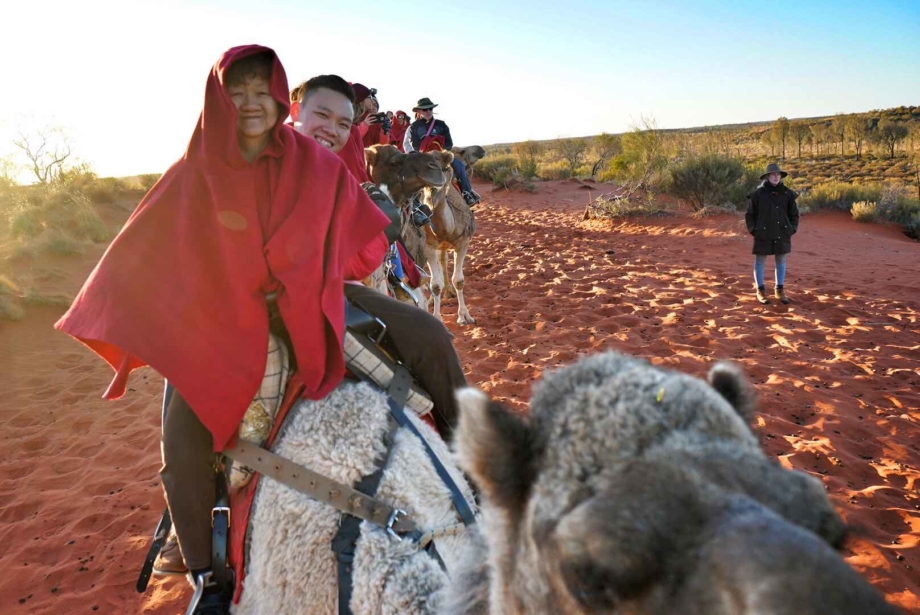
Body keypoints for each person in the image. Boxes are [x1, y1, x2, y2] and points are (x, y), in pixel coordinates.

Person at [55, 47, 395, 613]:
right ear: (294, 110)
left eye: (342, 122)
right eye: (321, 118)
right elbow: (154, 249)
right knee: (183, 430)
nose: (331, 131)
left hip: (320, 298)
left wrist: (315, 263)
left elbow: (365, 248)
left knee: (422, 339)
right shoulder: (200, 167)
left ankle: (467, 467)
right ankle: (203, 571)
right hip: (221, 318)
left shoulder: (331, 170)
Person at [403, 97, 480, 206]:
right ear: (419, 111)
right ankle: (413, 205)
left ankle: (467, 193)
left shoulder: (441, 125)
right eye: (425, 110)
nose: (428, 111)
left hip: (442, 156)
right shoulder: (414, 127)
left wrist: (442, 153)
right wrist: (427, 155)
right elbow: (414, 145)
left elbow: (449, 142)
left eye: (430, 108)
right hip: (423, 157)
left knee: (459, 166)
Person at [746, 163, 799, 305]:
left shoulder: (788, 193)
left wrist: (791, 229)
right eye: (772, 174)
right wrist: (753, 230)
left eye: (778, 174)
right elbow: (750, 215)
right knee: (760, 262)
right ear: (767, 176)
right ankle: (760, 290)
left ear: (781, 176)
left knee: (781, 261)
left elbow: (794, 214)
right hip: (762, 233)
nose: (775, 177)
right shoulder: (757, 194)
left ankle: (779, 290)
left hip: (782, 232)